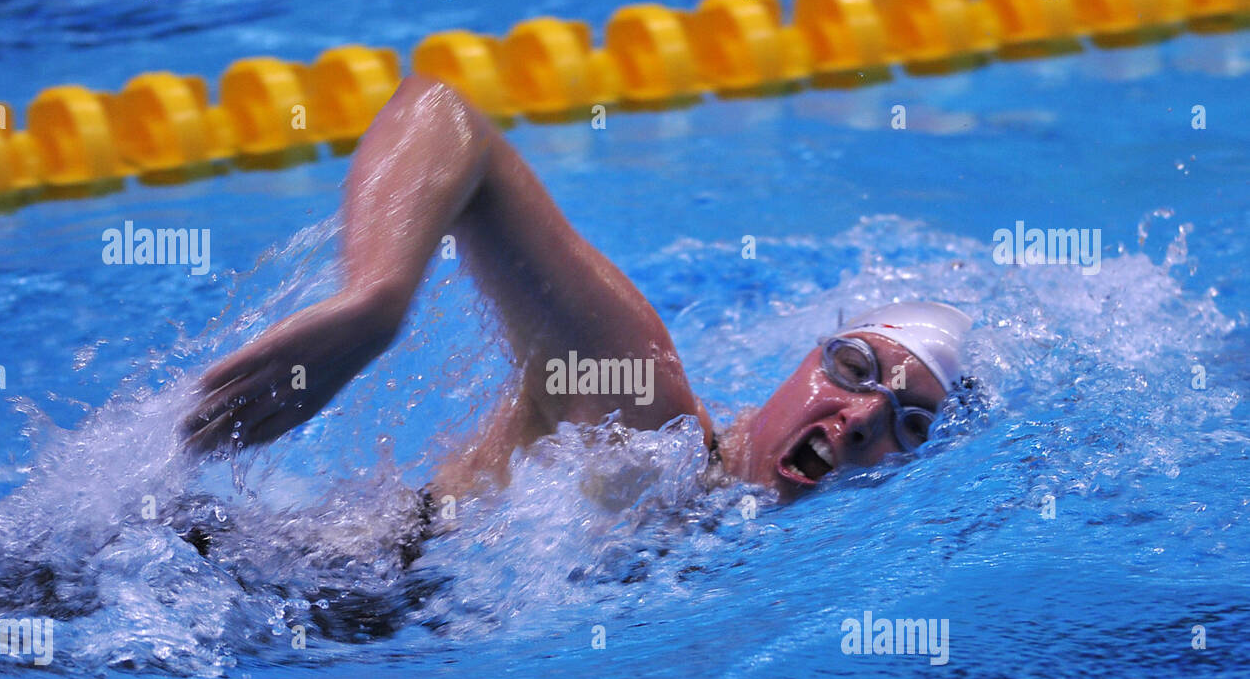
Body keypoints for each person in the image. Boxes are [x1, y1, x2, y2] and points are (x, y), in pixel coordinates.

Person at [182, 75, 972, 508]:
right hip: (246, 598)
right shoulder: (646, 414)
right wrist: (377, 301)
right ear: (806, 361)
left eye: (912, 423)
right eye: (857, 369)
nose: (866, 417)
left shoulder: (729, 531)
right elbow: (445, 116)